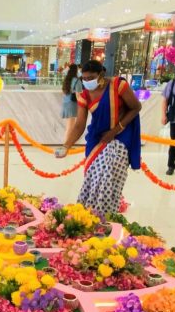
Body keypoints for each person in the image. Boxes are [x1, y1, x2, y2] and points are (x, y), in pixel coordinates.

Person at [54, 60, 142, 218]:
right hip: (97, 138)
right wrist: (66, 146)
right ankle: (88, 216)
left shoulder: (118, 85)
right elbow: (80, 124)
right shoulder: (83, 92)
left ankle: (105, 218)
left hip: (121, 136)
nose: (87, 81)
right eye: (84, 78)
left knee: (108, 175)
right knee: (93, 180)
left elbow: (136, 107)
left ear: (101, 74)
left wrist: (115, 130)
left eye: (91, 77)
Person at [60, 63, 82, 144]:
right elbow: (78, 95)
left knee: (69, 125)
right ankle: (66, 144)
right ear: (76, 71)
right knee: (70, 126)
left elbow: (63, 92)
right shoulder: (77, 80)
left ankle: (67, 143)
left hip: (66, 103)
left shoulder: (67, 80)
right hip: (72, 104)